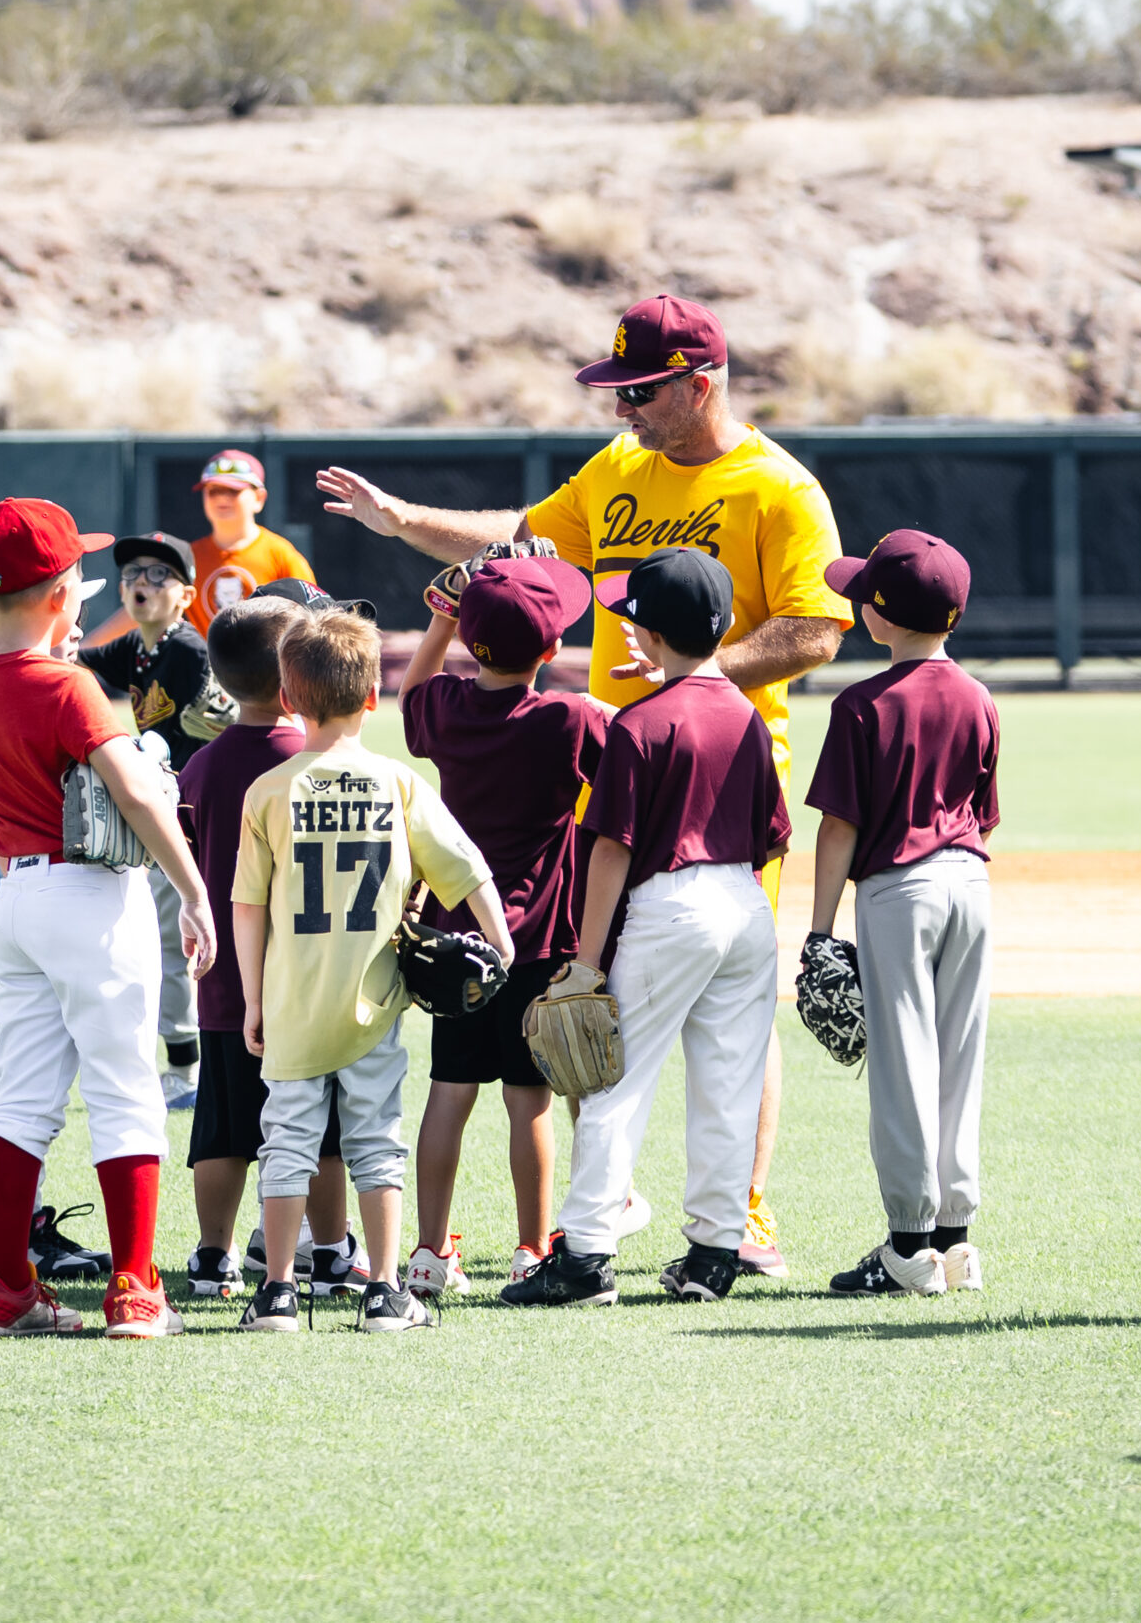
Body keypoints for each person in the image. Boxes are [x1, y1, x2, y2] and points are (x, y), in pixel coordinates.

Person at [317, 294, 848, 1277]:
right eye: (616, 390)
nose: (623, 410)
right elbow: (521, 537)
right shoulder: (619, 470)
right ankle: (591, 1215)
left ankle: (744, 1213)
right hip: (603, 772)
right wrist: (402, 523)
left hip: (717, 774)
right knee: (594, 987)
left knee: (729, 1016)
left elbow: (816, 630)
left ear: (702, 383)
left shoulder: (779, 488)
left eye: (639, 391)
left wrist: (695, 679)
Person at [0, 498, 216, 1341]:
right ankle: (136, 1290)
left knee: (21, 1103)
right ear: (62, 591)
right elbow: (138, 789)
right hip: (89, 896)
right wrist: (195, 887)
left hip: (17, 897)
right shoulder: (65, 682)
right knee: (124, 1091)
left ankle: (6, 1291)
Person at [502, 548, 788, 1309]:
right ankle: (713, 1256)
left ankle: (587, 1257)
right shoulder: (747, 715)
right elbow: (773, 837)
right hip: (745, 904)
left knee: (612, 1086)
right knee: (729, 1085)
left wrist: (586, 960)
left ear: (649, 635)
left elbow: (611, 849)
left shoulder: (641, 721)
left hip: (670, 907)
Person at [230, 608, 509, 1336]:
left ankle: (279, 1293)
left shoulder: (269, 790)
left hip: (293, 1004)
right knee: (376, 1140)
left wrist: (253, 1003)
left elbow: (248, 908)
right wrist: (502, 947)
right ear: (371, 699)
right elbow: (469, 870)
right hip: (374, 1001)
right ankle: (384, 1291)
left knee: (287, 1141)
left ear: (288, 699)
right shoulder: (398, 783)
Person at [397, 554, 611, 1296]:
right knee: (530, 1103)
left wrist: (443, 613)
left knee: (448, 1093)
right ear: (552, 650)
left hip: (458, 941)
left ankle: (427, 1250)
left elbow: (413, 689)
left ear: (468, 641)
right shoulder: (570, 717)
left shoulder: (448, 707)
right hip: (541, 940)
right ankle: (529, 1246)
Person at [803, 531, 999, 1298]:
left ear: (880, 616)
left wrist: (821, 932)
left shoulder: (863, 704)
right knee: (960, 1061)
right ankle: (957, 1243)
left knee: (904, 1069)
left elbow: (840, 828)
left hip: (900, 889)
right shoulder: (980, 696)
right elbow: (985, 814)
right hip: (970, 883)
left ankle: (909, 1250)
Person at [172, 594, 357, 1299]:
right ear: (294, 680)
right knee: (323, 1130)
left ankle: (213, 1256)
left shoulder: (204, 766)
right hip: (308, 978)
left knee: (222, 1127)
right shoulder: (313, 761)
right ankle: (332, 1251)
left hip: (223, 979)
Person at [0, 581, 116, 1286]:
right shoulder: (18, 697)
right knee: (9, 1078)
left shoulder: (2, 689)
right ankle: (13, 1232)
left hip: (5, 915)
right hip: (12, 912)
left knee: (18, 1078)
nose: (73, 622)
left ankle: (18, 1227)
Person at [78, 532, 235, 1109]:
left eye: (157, 575)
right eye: (132, 574)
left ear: (187, 593)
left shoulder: (190, 651)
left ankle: (187, 1071)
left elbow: (202, 731)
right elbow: (75, 662)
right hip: (168, 811)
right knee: (172, 941)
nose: (140, 583)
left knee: (179, 943)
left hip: (196, 819)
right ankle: (186, 1064)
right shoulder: (139, 649)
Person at [184, 449, 315, 634]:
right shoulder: (188, 557)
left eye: (233, 490)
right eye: (213, 491)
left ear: (259, 498)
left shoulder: (281, 555)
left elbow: (314, 620)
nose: (222, 497)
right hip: (206, 662)